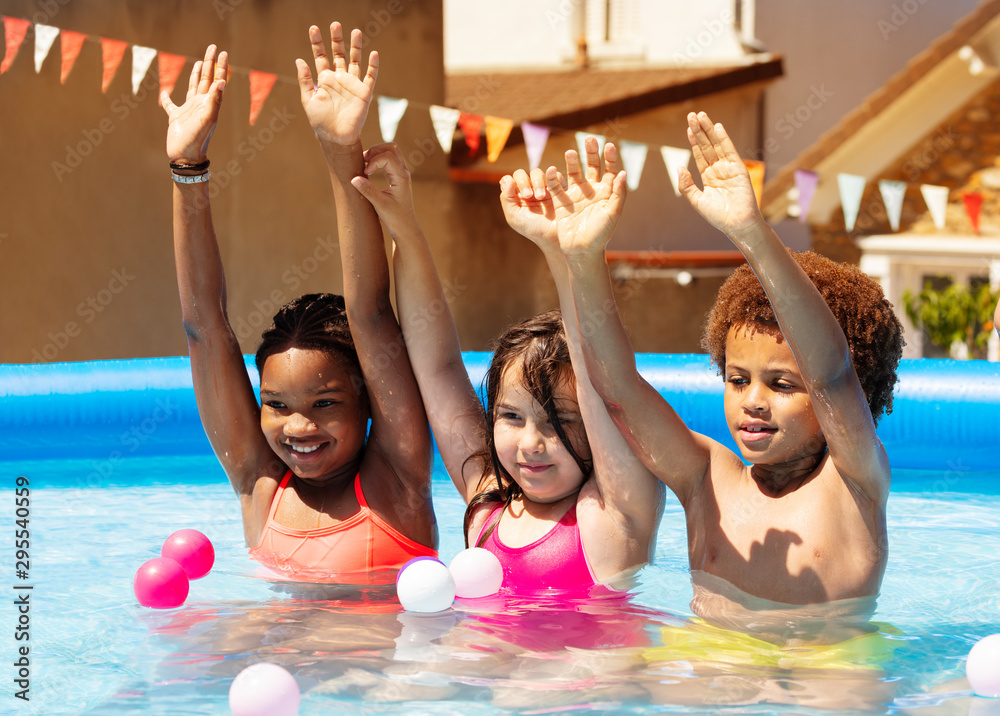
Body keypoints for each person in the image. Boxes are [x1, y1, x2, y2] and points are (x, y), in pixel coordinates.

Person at [552, 112, 903, 615]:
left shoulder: (854, 479)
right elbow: (619, 393)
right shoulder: (705, 480)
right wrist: (585, 260)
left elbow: (830, 373)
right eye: (737, 380)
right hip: (721, 679)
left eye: (782, 384)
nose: (753, 401)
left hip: (826, 676)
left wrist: (751, 233)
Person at [158, 26, 436, 585]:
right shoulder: (260, 483)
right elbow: (203, 329)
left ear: (367, 402)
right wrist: (188, 170)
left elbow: (371, 313)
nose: (298, 425)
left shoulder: (395, 479)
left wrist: (340, 147)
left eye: (326, 402)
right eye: (277, 404)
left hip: (387, 673)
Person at [350, 142, 665, 594]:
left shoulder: (615, 514)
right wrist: (404, 227)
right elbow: (437, 367)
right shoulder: (486, 507)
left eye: (561, 421)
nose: (531, 443)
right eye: (511, 417)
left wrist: (567, 258)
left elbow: (608, 386)